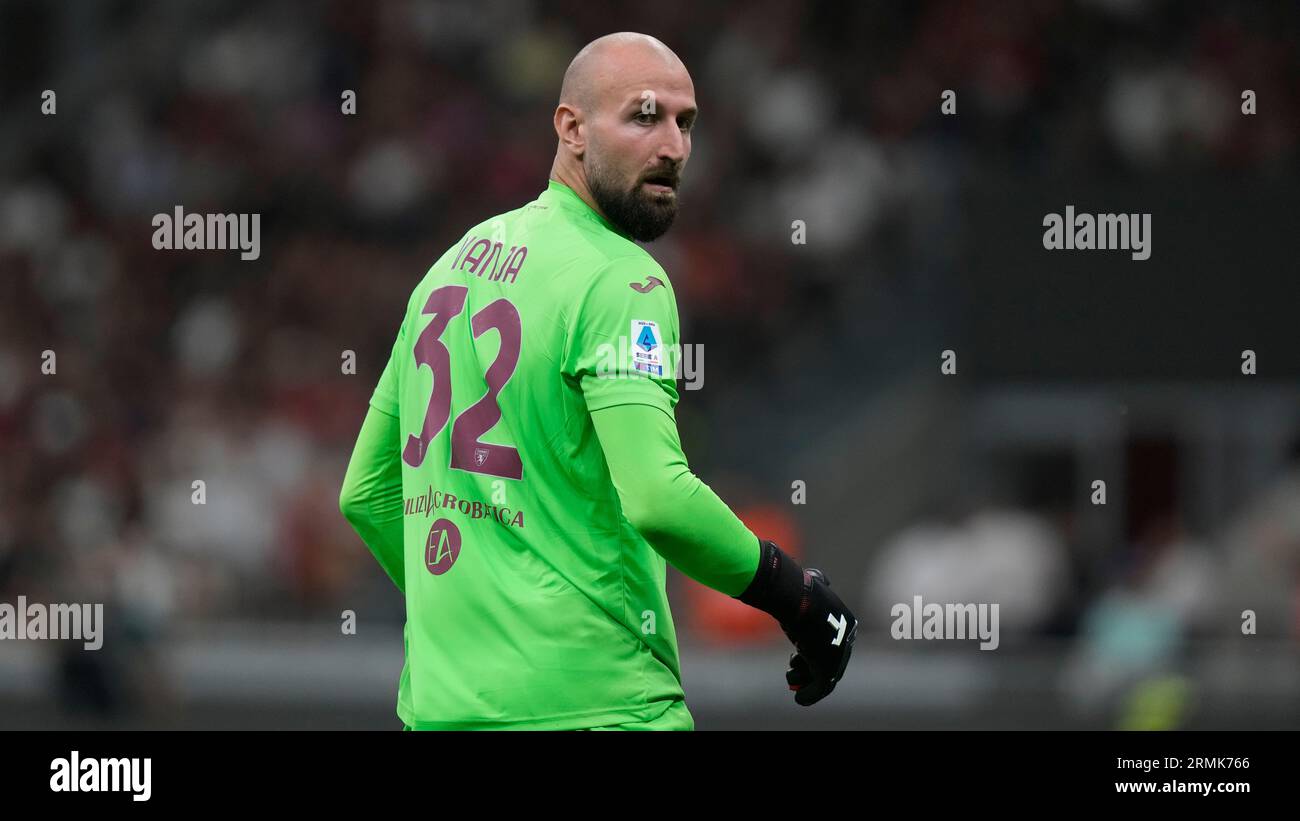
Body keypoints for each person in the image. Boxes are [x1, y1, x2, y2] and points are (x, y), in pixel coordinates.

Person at [340, 32, 856, 731]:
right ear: (571, 128)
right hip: (599, 705)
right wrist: (799, 597)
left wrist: (488, 617)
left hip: (443, 708)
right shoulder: (622, 279)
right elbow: (659, 498)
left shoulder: (450, 266)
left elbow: (367, 493)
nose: (673, 146)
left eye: (686, 122)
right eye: (645, 116)